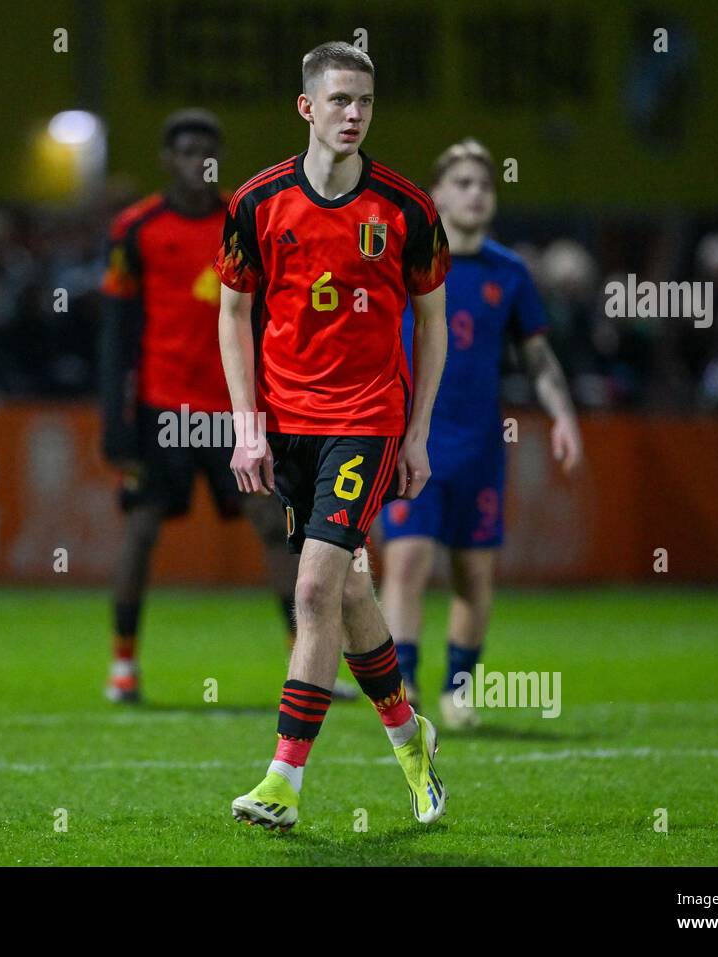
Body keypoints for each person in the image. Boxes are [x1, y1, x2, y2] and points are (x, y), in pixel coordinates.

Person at [217, 42, 451, 830]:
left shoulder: (406, 209)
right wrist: (248, 428)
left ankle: (283, 780)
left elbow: (433, 320)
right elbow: (233, 312)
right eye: (340, 101)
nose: (354, 115)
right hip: (288, 430)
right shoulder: (256, 203)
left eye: (366, 103)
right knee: (349, 590)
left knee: (314, 587)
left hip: (367, 420)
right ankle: (410, 735)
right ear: (306, 107)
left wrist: (417, 435)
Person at [99, 110, 356, 703]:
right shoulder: (136, 229)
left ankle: (306, 664)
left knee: (273, 526)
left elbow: (273, 316)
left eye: (208, 154)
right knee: (140, 531)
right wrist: (115, 423)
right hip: (161, 411)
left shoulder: (246, 219)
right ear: (169, 160)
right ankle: (123, 666)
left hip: (233, 412)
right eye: (187, 153)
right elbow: (114, 332)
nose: (198, 164)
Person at [378, 139, 582, 727]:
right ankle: (406, 682)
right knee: (409, 562)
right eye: (463, 183)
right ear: (436, 194)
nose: (476, 194)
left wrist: (563, 414)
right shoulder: (404, 263)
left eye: (485, 185)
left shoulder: (510, 273)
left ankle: (459, 689)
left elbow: (538, 358)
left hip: (479, 448)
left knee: (474, 573)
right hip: (412, 440)